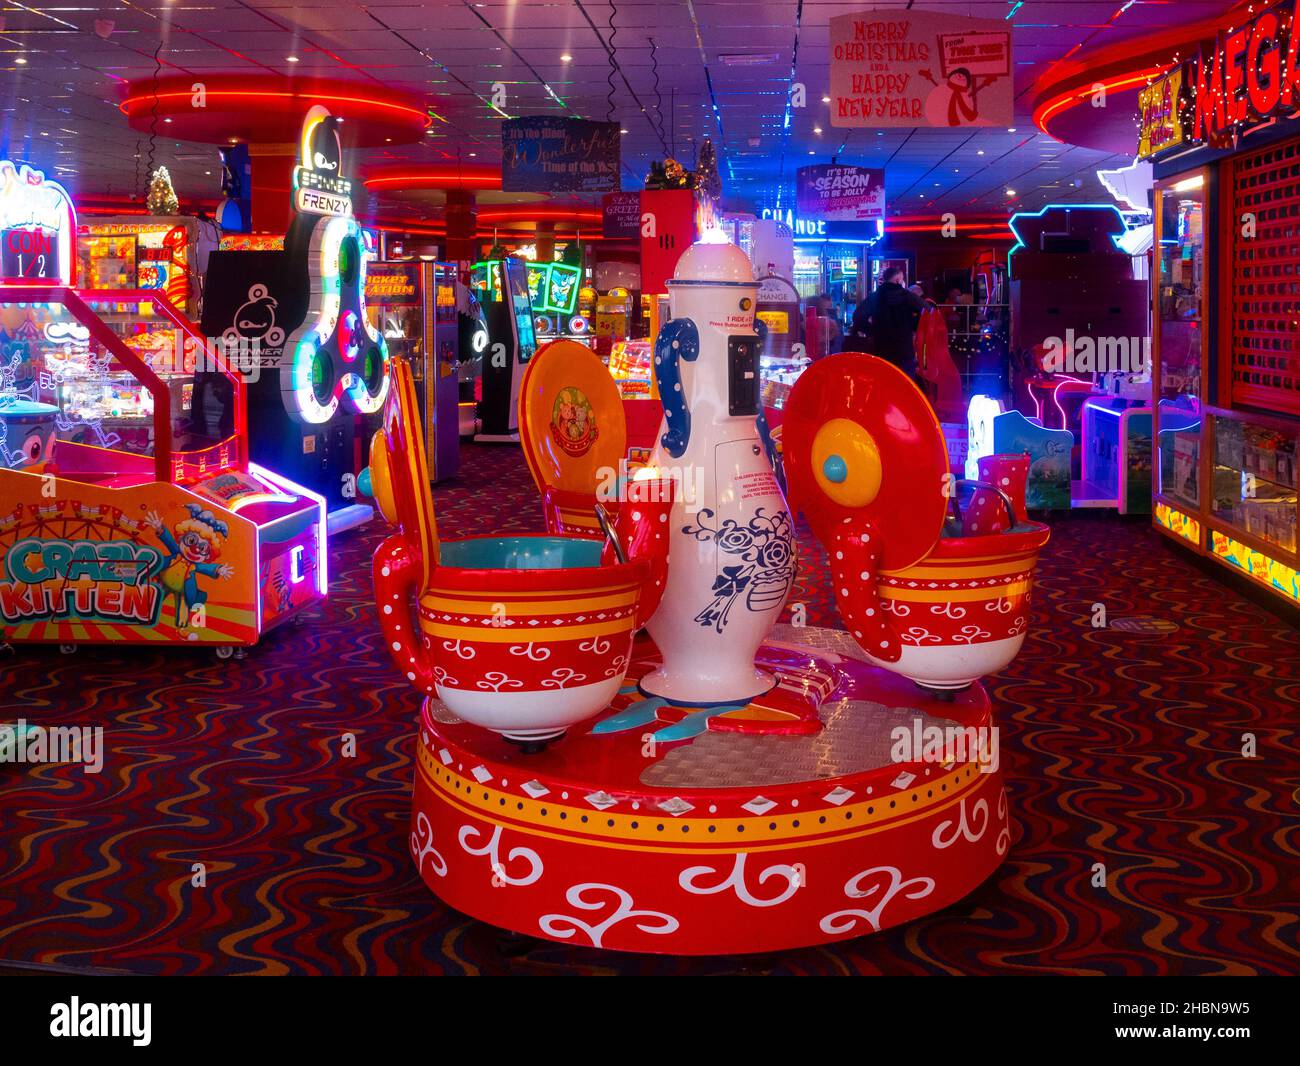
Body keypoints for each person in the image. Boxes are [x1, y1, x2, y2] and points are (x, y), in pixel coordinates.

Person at [851, 267, 924, 380]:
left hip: (882, 349)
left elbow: (858, 316)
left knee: (883, 386)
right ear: (897, 280)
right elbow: (928, 312)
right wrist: (913, 326)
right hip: (905, 349)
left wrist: (873, 331)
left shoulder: (875, 297)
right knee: (905, 387)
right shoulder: (909, 297)